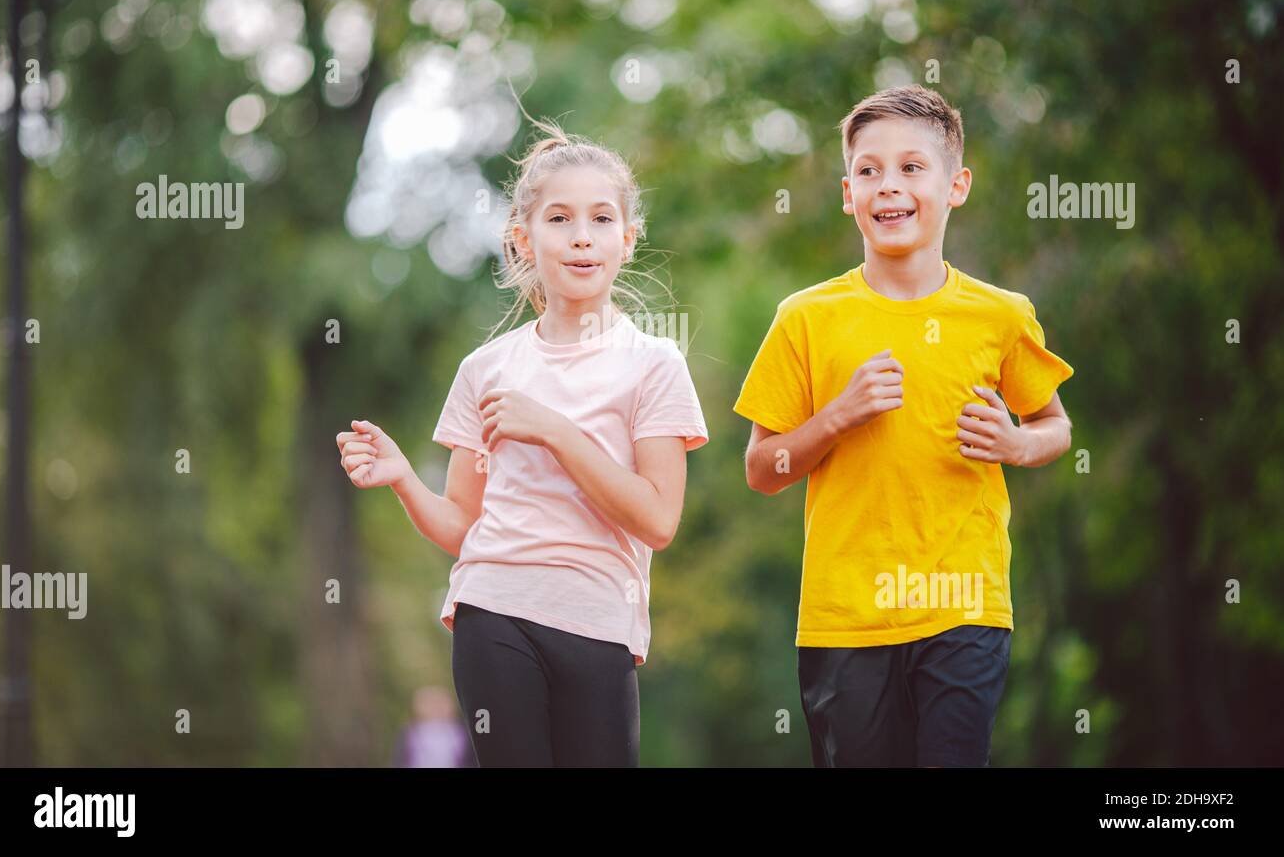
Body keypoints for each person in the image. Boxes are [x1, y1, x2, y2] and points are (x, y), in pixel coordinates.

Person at [337, 117, 708, 767]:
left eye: (599, 219)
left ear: (628, 237)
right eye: (559, 219)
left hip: (601, 621)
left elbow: (658, 518)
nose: (581, 237)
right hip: (495, 609)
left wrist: (556, 431)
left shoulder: (654, 364)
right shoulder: (486, 371)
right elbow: (462, 528)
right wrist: (402, 478)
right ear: (523, 239)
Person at [734, 84, 1074, 767]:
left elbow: (1056, 427)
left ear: (957, 185)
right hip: (846, 618)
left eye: (912, 168)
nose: (889, 186)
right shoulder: (806, 317)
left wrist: (1017, 443)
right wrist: (836, 416)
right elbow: (761, 469)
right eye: (869, 170)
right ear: (847, 193)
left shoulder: (1000, 315)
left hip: (964, 605)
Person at [393, 686, 474, 768]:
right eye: (430, 703)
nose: (436, 707)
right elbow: (399, 761)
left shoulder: (463, 731)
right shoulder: (409, 732)